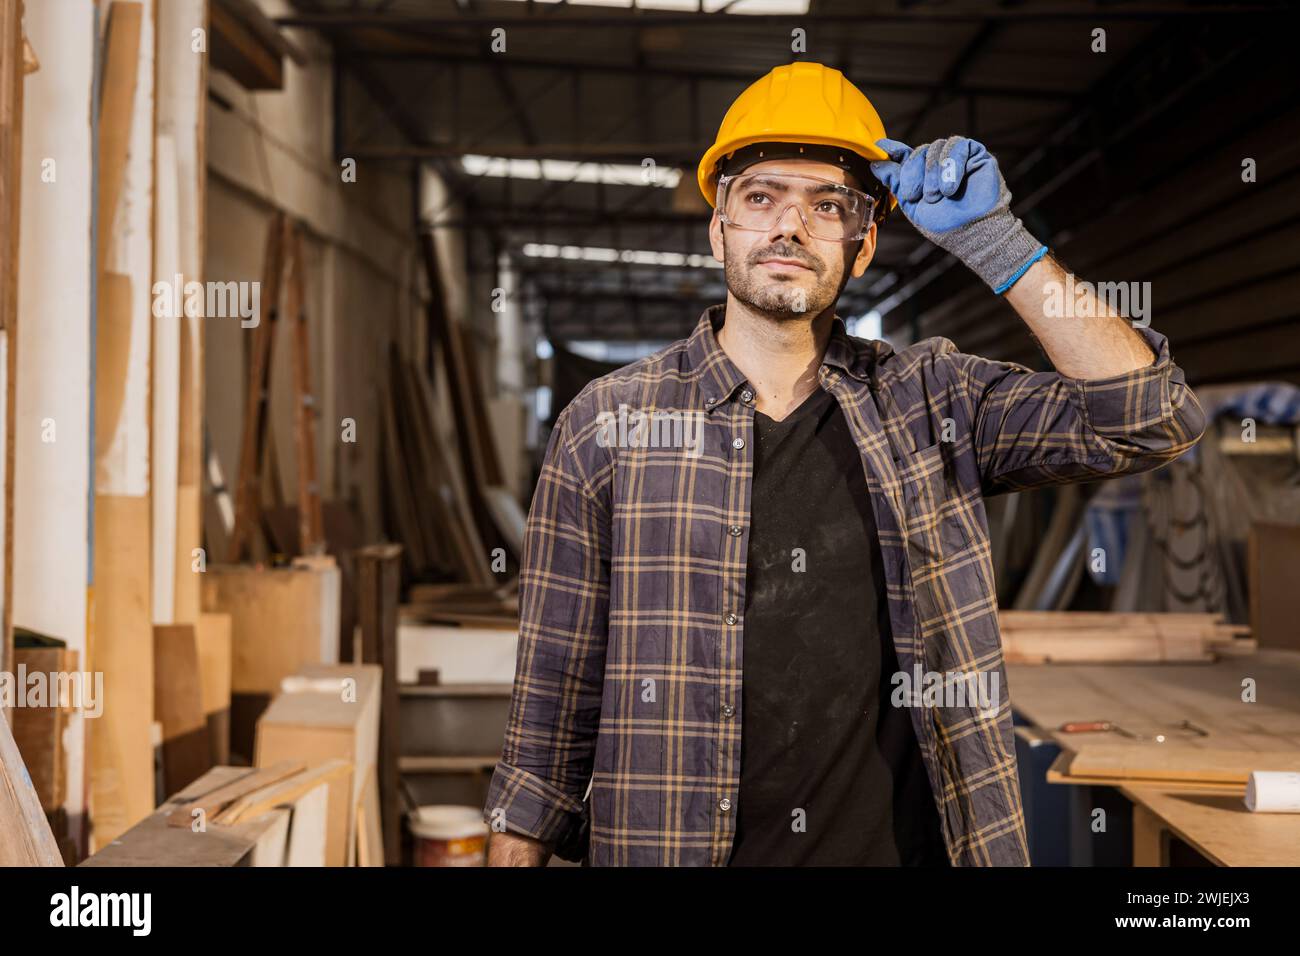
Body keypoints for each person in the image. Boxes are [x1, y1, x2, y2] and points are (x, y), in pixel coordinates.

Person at [484, 61, 1204, 866]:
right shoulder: (609, 420)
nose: (789, 226)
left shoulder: (936, 400)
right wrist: (519, 843)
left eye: (826, 206)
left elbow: (1150, 419)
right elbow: (554, 676)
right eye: (761, 197)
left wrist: (999, 245)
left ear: (862, 249)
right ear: (719, 228)